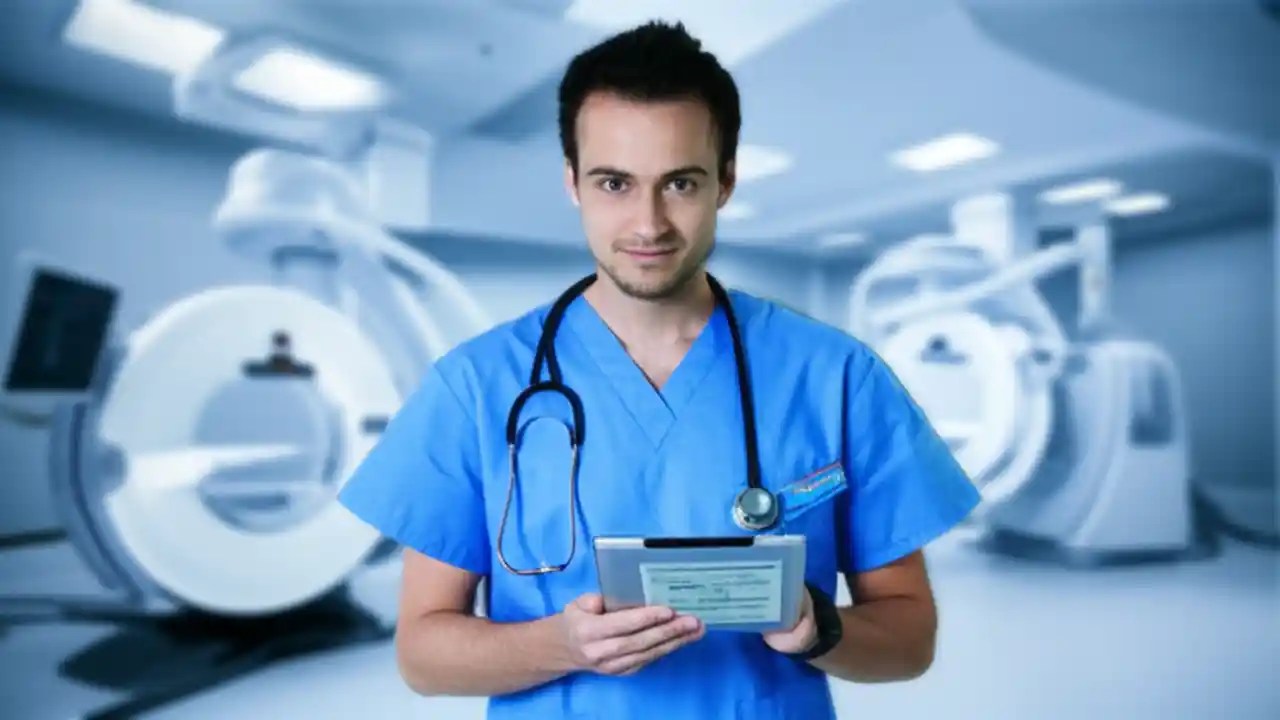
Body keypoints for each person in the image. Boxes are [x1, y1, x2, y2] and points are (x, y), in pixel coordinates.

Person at [337, 20, 981, 720]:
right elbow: (423, 655)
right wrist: (564, 646)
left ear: (725, 182)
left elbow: (910, 639)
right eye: (615, 182)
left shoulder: (836, 378)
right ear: (573, 182)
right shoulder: (476, 387)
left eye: (680, 183)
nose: (648, 224)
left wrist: (820, 629)